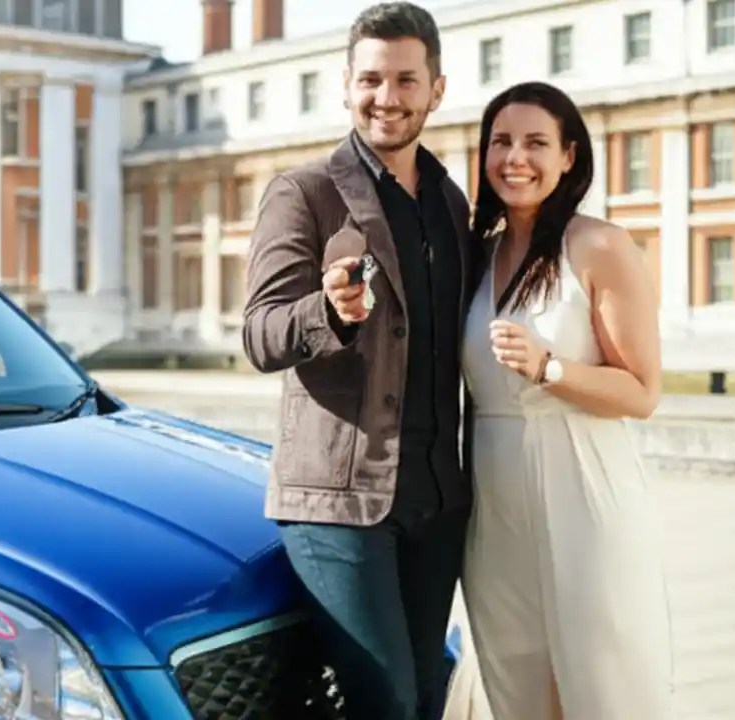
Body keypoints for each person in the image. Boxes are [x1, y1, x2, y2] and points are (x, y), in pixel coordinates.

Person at [241, 3, 482, 718]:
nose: (388, 98)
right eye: (372, 79)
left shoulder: (449, 201)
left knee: (427, 696)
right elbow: (259, 334)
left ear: (436, 89)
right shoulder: (304, 193)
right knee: (387, 707)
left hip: (437, 501)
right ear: (346, 85)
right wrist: (329, 313)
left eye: (407, 81)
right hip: (340, 504)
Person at [457, 80, 674, 719]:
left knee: (604, 688)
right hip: (493, 511)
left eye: (535, 143)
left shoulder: (600, 245)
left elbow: (643, 391)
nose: (514, 158)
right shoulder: (480, 255)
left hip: (586, 494)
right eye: (500, 142)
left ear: (569, 156)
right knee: (515, 693)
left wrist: (550, 366)